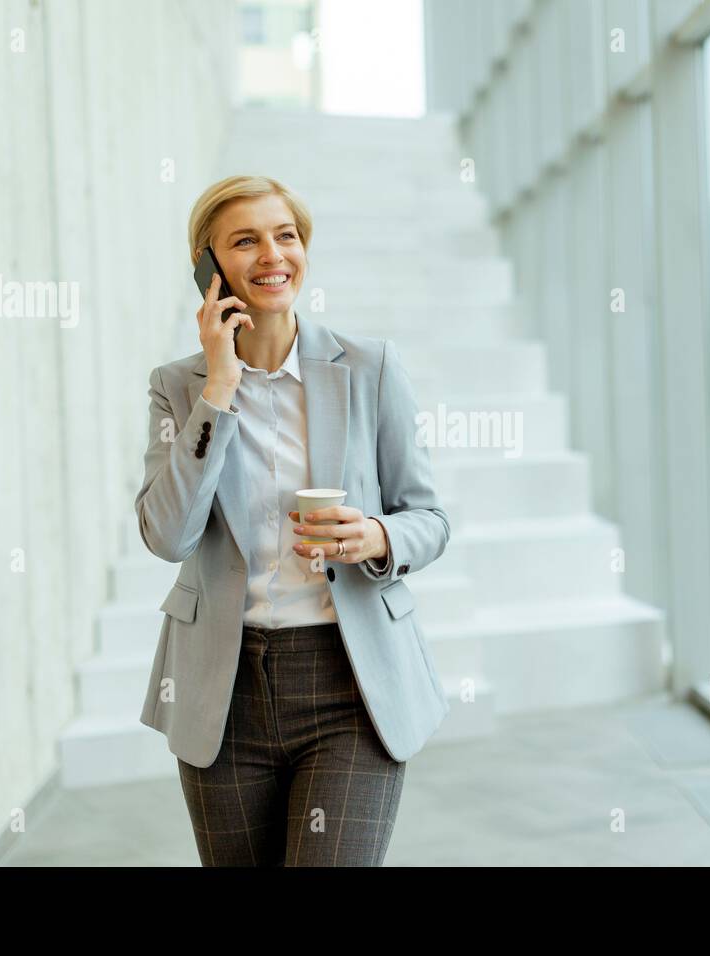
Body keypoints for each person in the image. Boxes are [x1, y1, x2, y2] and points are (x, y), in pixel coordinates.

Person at [135, 174, 451, 866]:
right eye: (244, 241)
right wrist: (219, 392)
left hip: (351, 682)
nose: (273, 255)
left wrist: (378, 536)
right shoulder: (177, 387)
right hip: (225, 688)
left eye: (286, 235)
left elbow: (429, 516)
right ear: (208, 268)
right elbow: (167, 535)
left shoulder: (370, 368)